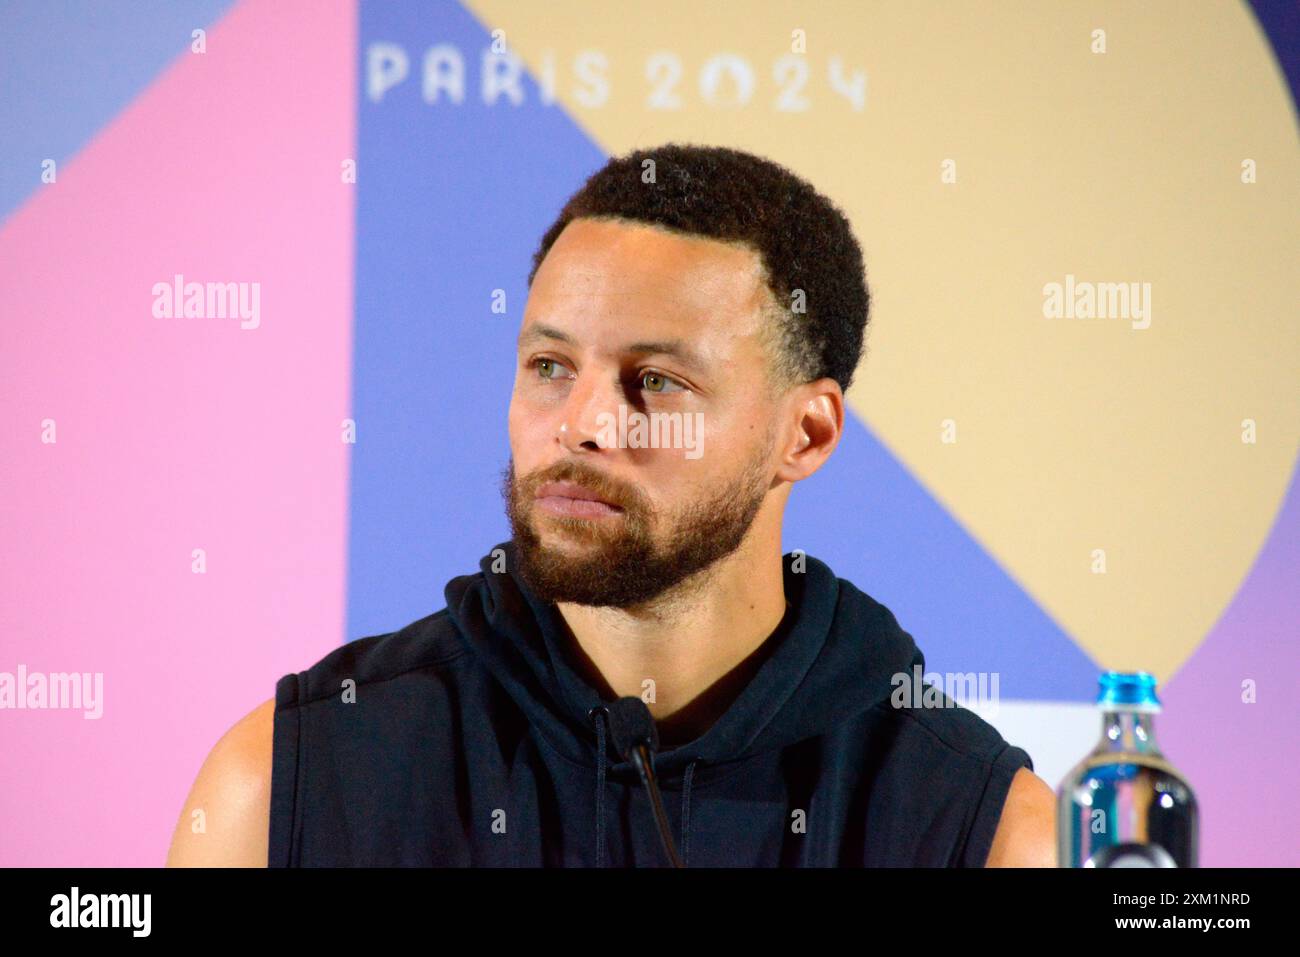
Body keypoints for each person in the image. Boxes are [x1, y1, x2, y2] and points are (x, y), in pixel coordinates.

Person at [167, 143, 1055, 867]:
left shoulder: (983, 830)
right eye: (551, 367)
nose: (582, 424)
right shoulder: (291, 782)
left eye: (657, 381)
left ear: (807, 434)